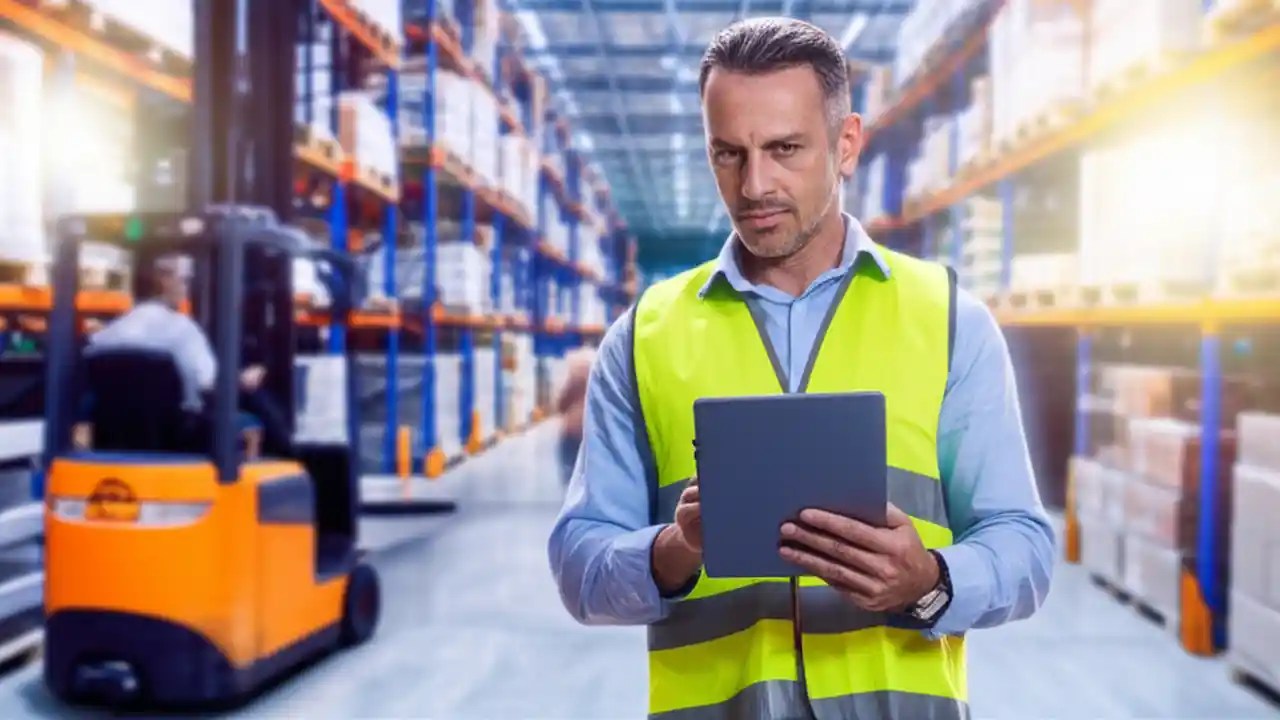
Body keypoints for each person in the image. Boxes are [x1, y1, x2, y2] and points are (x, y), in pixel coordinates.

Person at [547, 18, 1055, 720]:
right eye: (729, 154)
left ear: (846, 144)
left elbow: (1024, 546)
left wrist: (930, 580)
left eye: (785, 149)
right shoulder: (643, 338)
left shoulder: (947, 321)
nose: (755, 184)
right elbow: (579, 564)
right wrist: (675, 549)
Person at [86, 255, 287, 456]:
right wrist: (242, 379)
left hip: (116, 438)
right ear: (164, 280)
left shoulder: (105, 336)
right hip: (178, 436)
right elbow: (209, 383)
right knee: (254, 417)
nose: (188, 287)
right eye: (185, 280)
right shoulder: (182, 329)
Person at [554, 346, 596, 486]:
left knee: (570, 472)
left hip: (572, 432)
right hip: (592, 433)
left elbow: (560, 406)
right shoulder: (600, 386)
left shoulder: (571, 386)